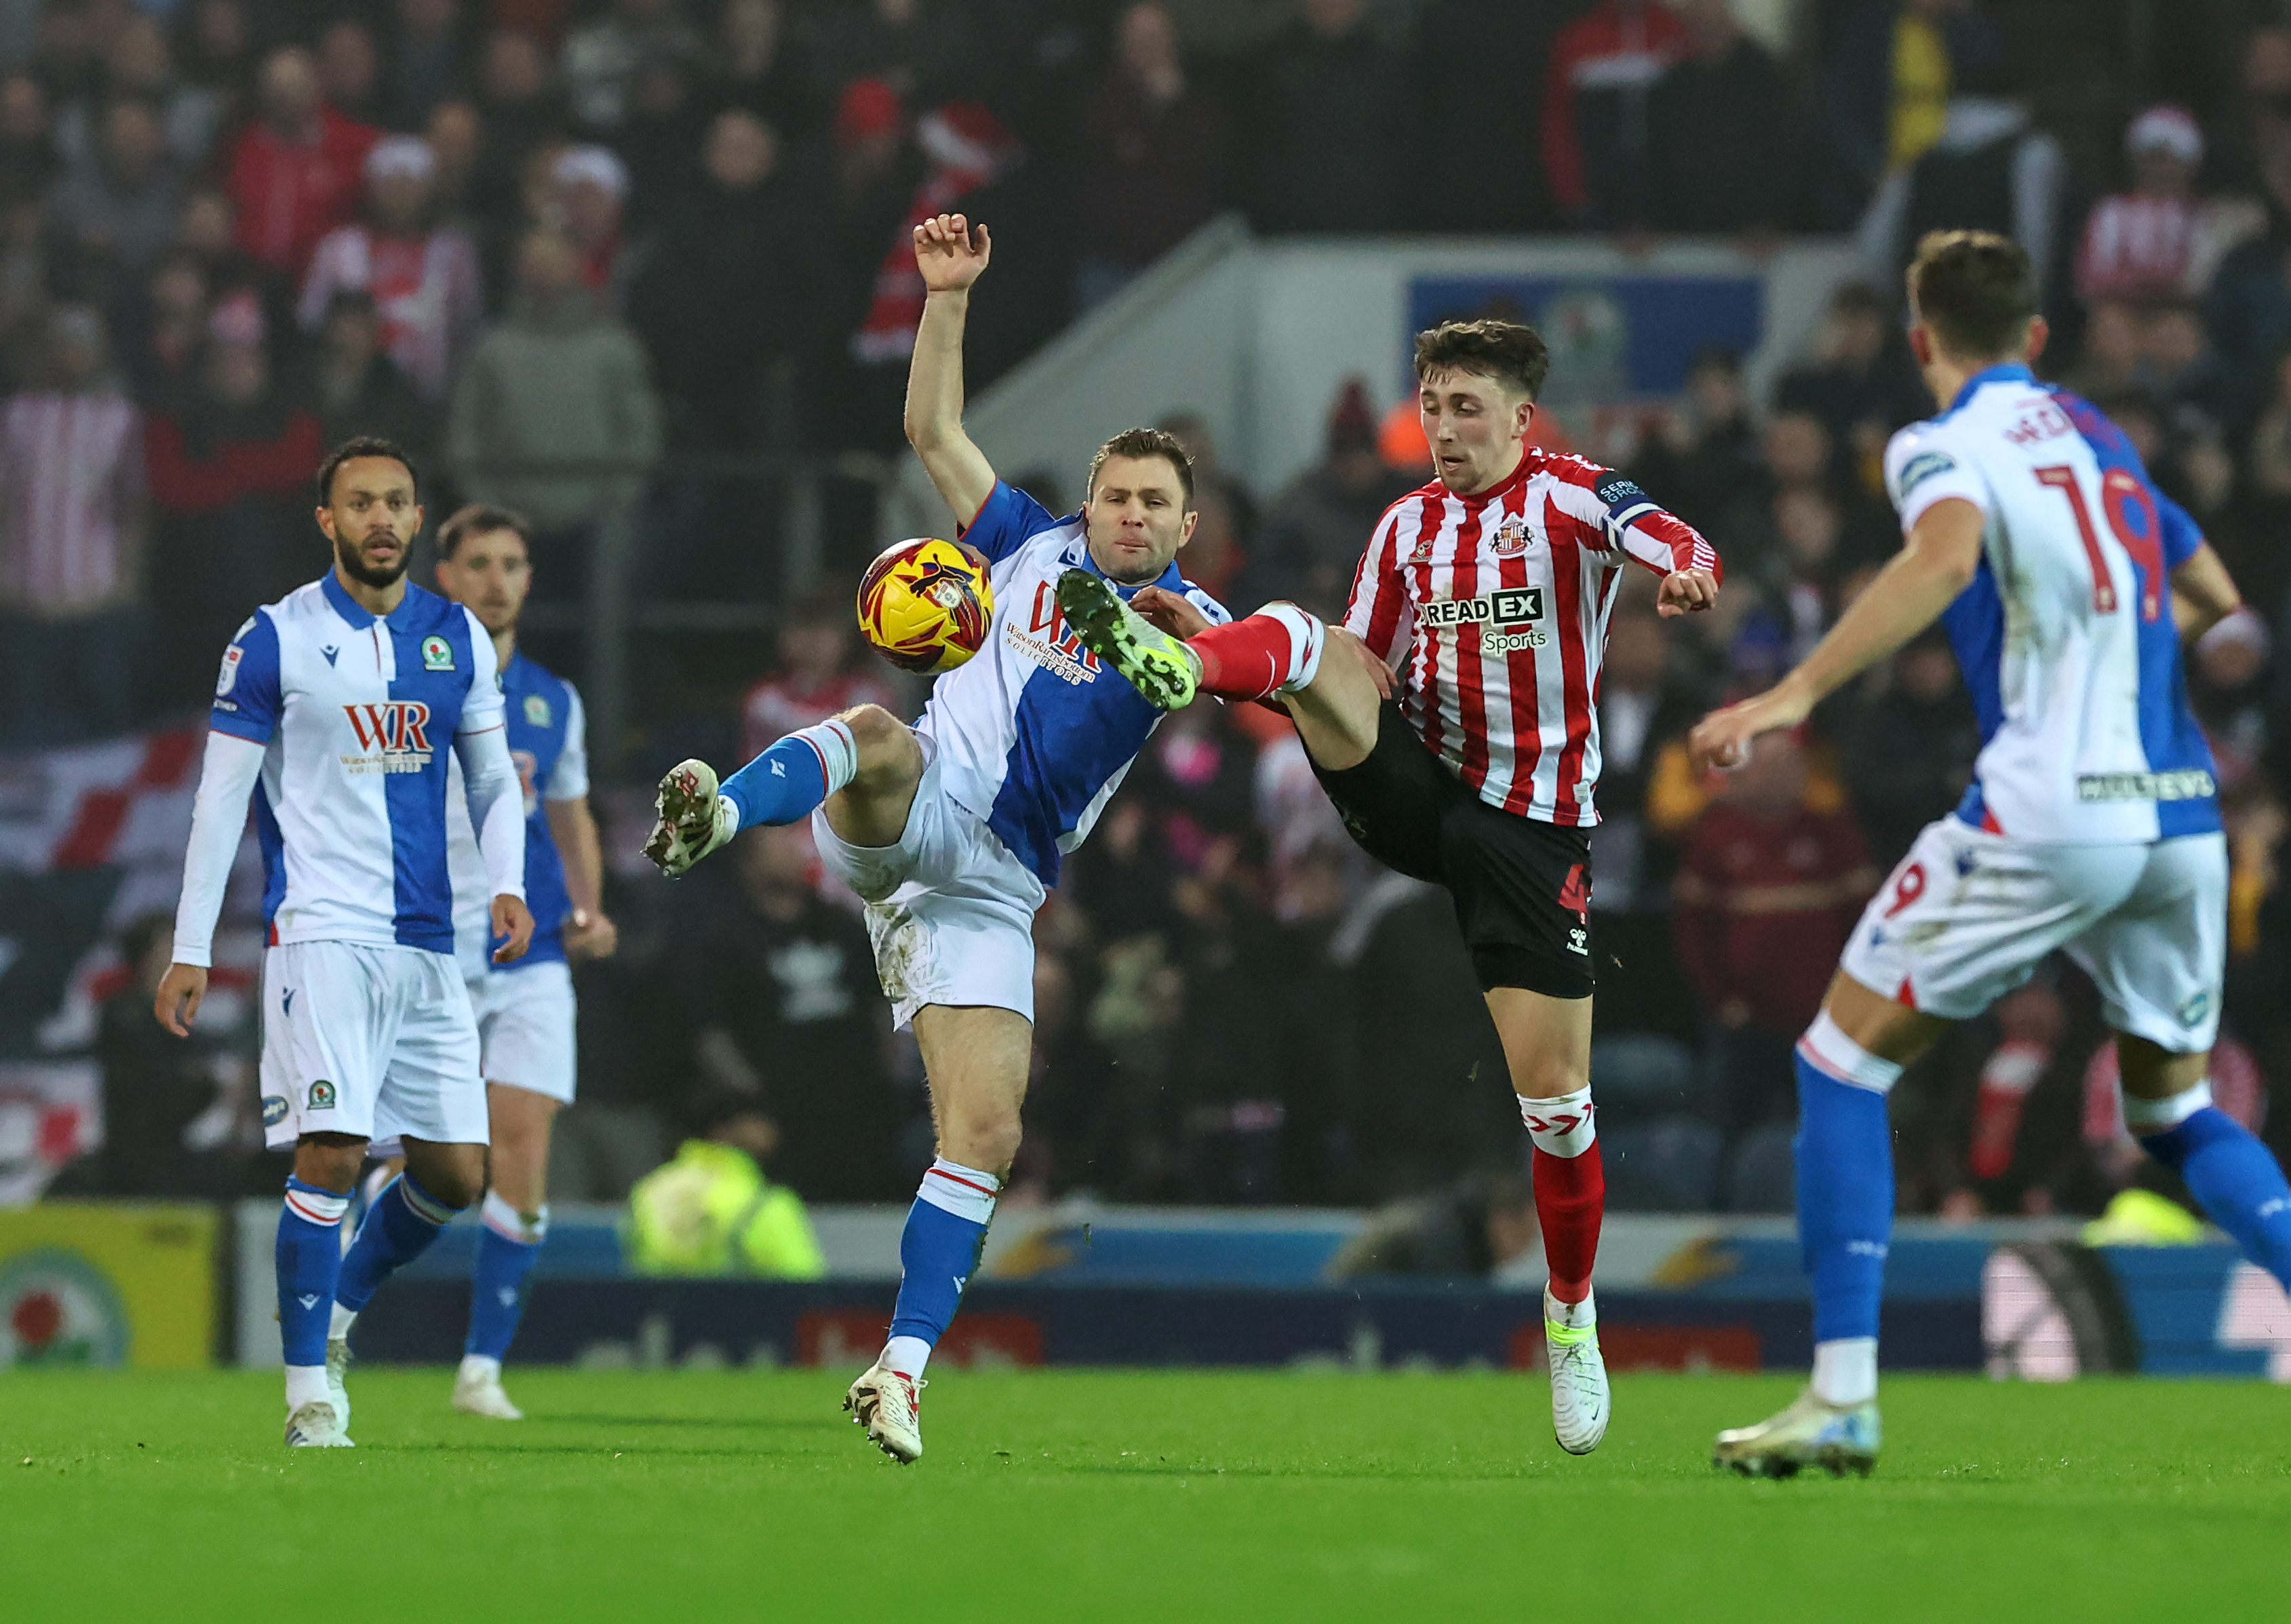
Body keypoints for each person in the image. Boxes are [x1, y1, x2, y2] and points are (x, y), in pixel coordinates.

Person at [1055, 316, 1725, 1455]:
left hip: (1529, 835)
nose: (1446, 430)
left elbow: (1652, 526)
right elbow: (1349, 670)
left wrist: (1689, 566)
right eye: (1434, 408)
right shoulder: (1406, 527)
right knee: (1304, 637)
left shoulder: (1568, 498)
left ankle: (1569, 1319)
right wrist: (1243, 670)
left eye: (1469, 410)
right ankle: (1184, 660)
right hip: (1416, 797)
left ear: (1520, 417)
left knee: (1556, 1109)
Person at [1687, 231, 2287, 1477]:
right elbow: (2214, 591)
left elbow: (1944, 553)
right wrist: (2111, 672)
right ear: (2036, 337)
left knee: (1839, 1060)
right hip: (2176, 816)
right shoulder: (2100, 439)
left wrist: (1791, 694)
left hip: (2045, 808)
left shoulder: (1935, 442)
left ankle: (1842, 1395)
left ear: (1920, 343)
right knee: (2171, 1109)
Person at [641, 212, 1228, 1463]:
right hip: (916, 813)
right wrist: (945, 297)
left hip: (996, 888)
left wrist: (1192, 645)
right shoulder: (1021, 541)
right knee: (871, 723)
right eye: (1115, 496)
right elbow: (928, 432)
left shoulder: (1197, 624)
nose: (1131, 515)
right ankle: (721, 814)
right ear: (1088, 503)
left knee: (986, 1137)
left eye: (1155, 503)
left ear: (1187, 523)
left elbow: (1237, 681)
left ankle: (898, 1375)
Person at [153, 436, 533, 1448]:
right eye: (358, 502)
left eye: (396, 502)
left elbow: (493, 781)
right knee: (330, 1148)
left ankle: (338, 1313)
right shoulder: (273, 637)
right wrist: (193, 946)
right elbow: (219, 799)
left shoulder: (455, 635)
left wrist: (505, 883)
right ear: (325, 519)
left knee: (456, 1176)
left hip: (427, 944)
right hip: (320, 929)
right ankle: (306, 1393)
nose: (379, 518)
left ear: (417, 521)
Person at [434, 502, 616, 1422]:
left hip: (532, 946)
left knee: (522, 1149)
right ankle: (333, 1322)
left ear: (529, 578)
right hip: (425, 947)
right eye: (479, 563)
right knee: (420, 1166)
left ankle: (481, 1369)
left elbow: (569, 815)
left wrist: (588, 906)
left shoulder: (553, 699)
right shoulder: (406, 688)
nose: (497, 578)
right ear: (446, 578)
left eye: (512, 562)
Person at [627, 1090, 825, 1278]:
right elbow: (806, 1290)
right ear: (723, 1129)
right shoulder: (767, 1203)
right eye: (756, 1119)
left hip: (664, 1313)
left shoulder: (649, 1191)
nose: (769, 1129)